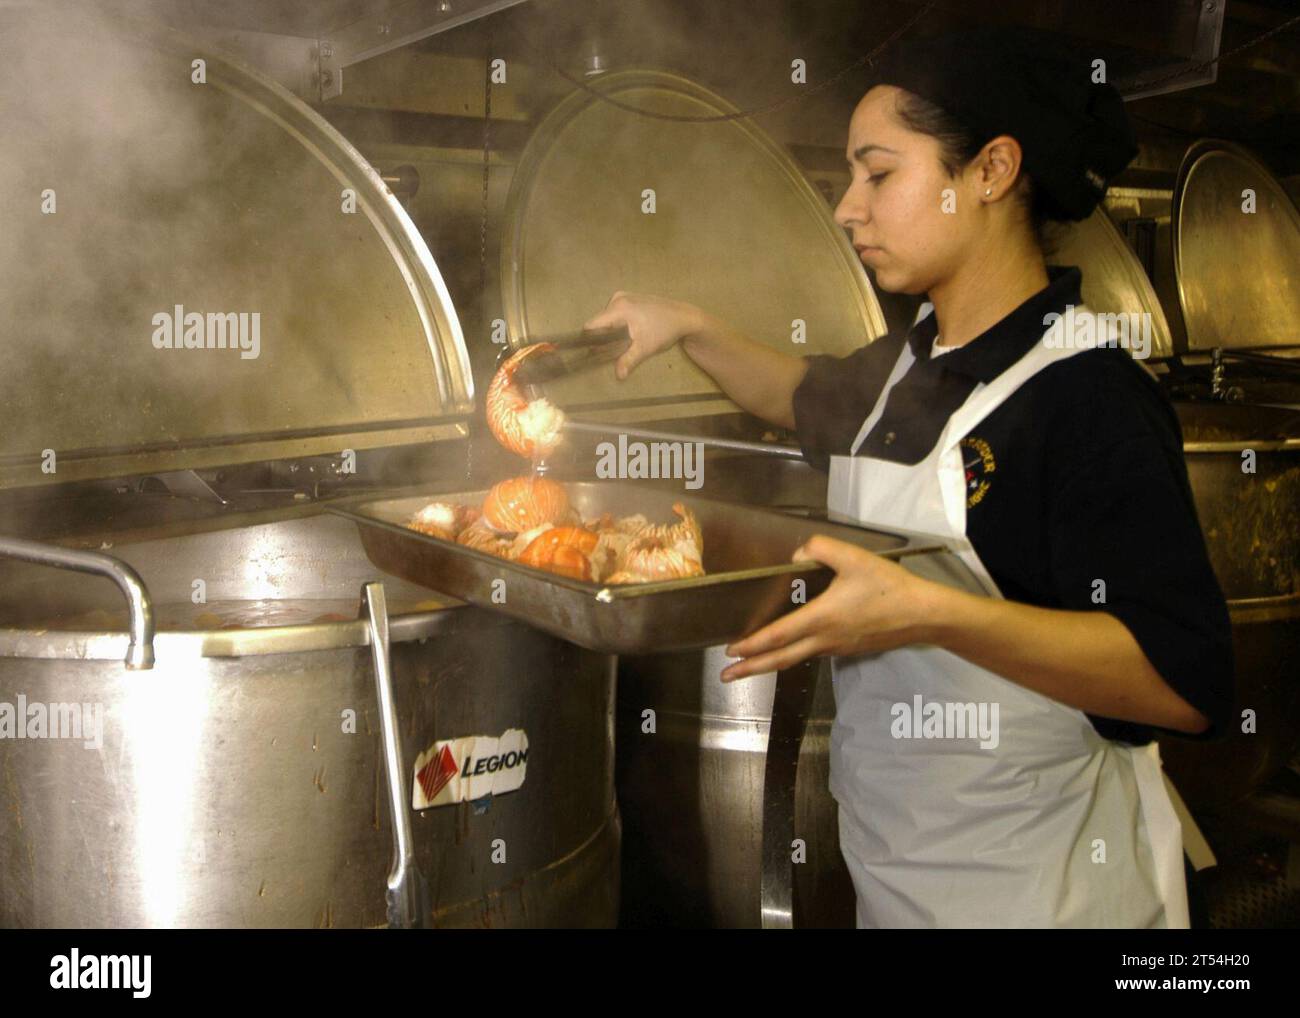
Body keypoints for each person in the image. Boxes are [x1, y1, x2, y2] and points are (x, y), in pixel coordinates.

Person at [583, 26, 1234, 928]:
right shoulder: (907, 362)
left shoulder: (1088, 392)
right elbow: (798, 390)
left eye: (877, 174)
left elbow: (1184, 685)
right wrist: (686, 325)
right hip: (902, 879)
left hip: (1049, 892)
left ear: (991, 172)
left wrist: (924, 611)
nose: (848, 208)